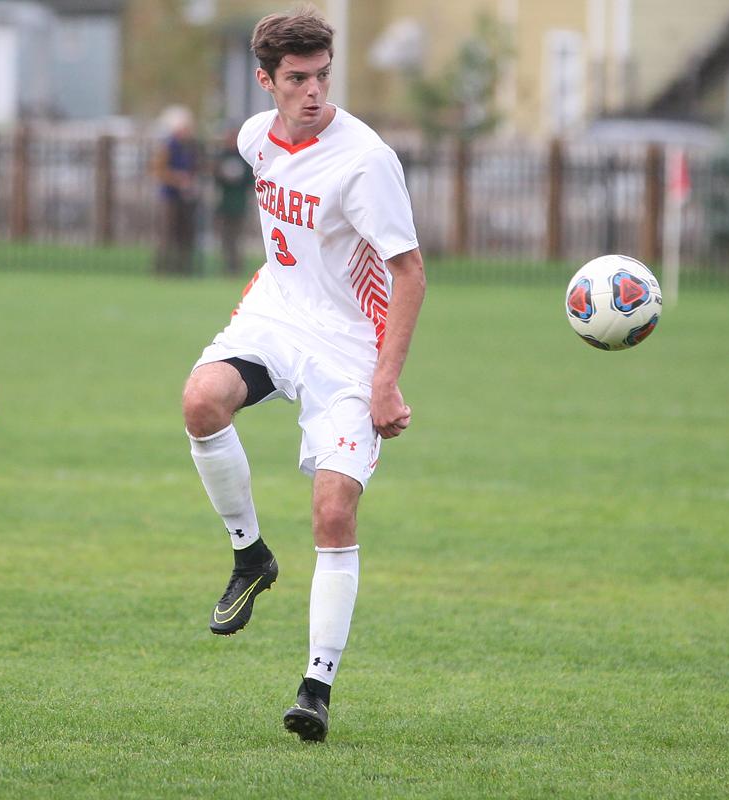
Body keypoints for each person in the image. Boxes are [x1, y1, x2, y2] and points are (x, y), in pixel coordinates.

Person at [180, 8, 425, 743]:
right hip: (277, 321)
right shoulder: (257, 137)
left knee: (333, 512)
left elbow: (409, 274)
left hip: (350, 351)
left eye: (323, 76)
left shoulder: (366, 159)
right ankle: (249, 555)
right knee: (200, 402)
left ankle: (315, 689)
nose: (314, 92)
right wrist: (266, 298)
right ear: (267, 82)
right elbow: (286, 240)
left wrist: (386, 380)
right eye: (297, 79)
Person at [152, 105, 202, 276]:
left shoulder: (192, 146)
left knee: (185, 234)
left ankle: (183, 268)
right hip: (170, 196)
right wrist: (177, 179)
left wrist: (191, 182)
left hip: (186, 198)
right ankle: (162, 268)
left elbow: (197, 168)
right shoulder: (168, 146)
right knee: (167, 234)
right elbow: (159, 170)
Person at [211, 123, 255, 275]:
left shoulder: (243, 157)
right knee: (225, 237)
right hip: (224, 204)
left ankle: (236, 266)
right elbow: (215, 178)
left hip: (239, 204)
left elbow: (251, 179)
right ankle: (226, 266)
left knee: (237, 237)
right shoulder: (221, 156)